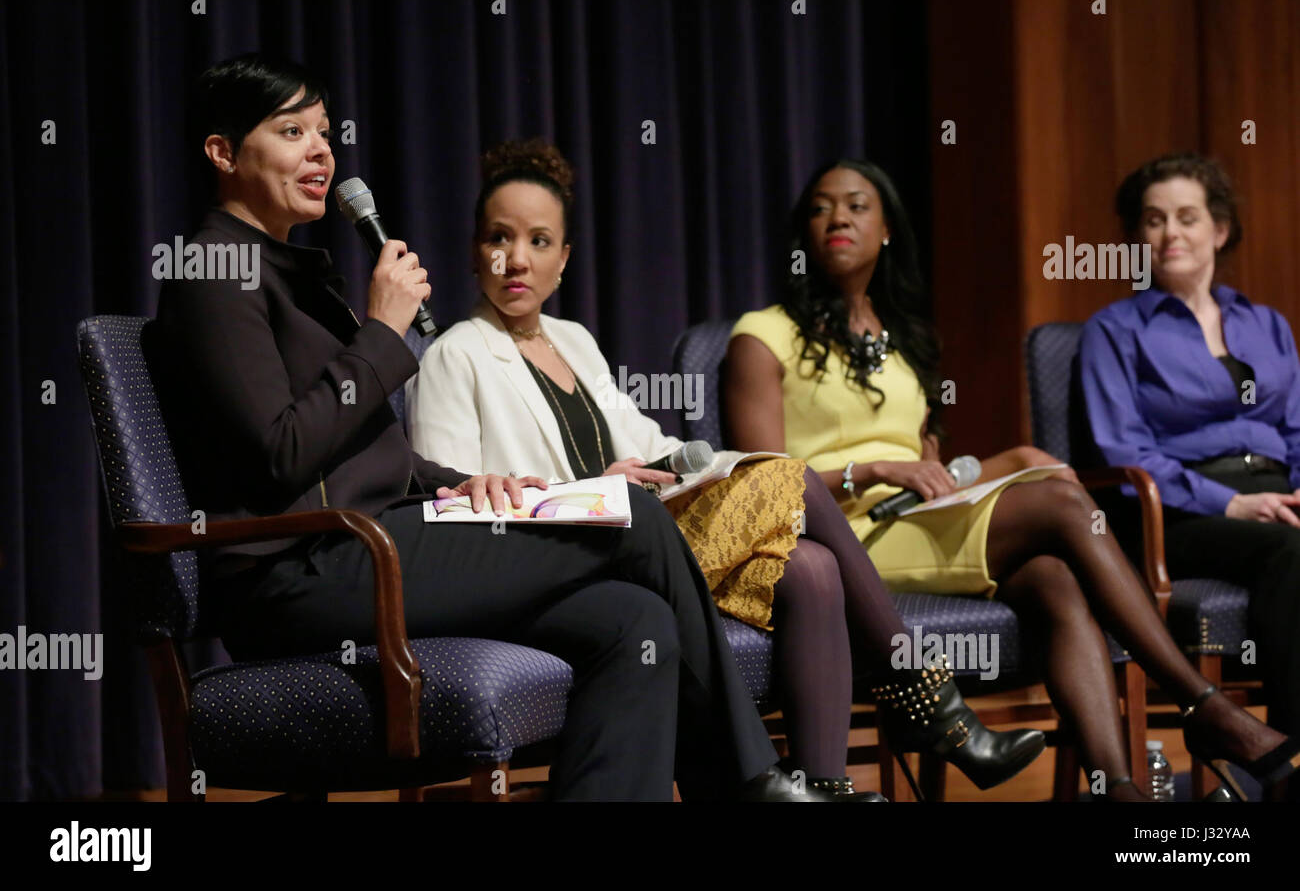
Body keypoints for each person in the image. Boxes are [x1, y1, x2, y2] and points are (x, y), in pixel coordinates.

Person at [148, 53, 847, 803]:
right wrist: (383, 335)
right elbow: (280, 452)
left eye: (323, 131)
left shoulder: (286, 271)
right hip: (305, 576)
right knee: (636, 520)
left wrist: (460, 483)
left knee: (633, 621)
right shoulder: (211, 272)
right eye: (292, 131)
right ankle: (746, 784)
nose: (322, 150)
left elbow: (358, 451)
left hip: (368, 543)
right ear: (222, 152)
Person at [409, 138, 1044, 796]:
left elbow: (652, 445)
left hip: (638, 537)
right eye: (499, 238)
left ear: (564, 259)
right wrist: (595, 487)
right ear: (473, 249)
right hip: (565, 561)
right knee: (790, 476)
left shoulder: (574, 342)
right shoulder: (454, 355)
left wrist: (695, 467)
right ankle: (924, 694)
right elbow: (454, 517)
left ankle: (823, 785)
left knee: (813, 565)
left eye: (539, 241)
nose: (517, 259)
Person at [724, 157, 1299, 800]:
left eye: (858, 205)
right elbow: (762, 483)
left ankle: (1118, 790)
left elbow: (929, 469)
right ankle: (1201, 704)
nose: (839, 218)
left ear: (887, 229)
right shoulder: (762, 335)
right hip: (840, 541)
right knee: (1060, 506)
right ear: (803, 231)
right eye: (822, 207)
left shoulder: (902, 341)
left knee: (1054, 577)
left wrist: (1013, 457)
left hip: (914, 518)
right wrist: (870, 468)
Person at [1080, 152, 1300, 797]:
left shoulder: (1267, 324)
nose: (1170, 232)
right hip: (1175, 514)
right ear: (1136, 238)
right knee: (1292, 551)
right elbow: (1125, 454)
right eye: (1153, 220)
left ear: (1219, 230)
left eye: (1186, 217)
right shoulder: (1114, 330)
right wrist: (1228, 503)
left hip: (1277, 497)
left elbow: (1296, 427)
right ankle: (1286, 765)